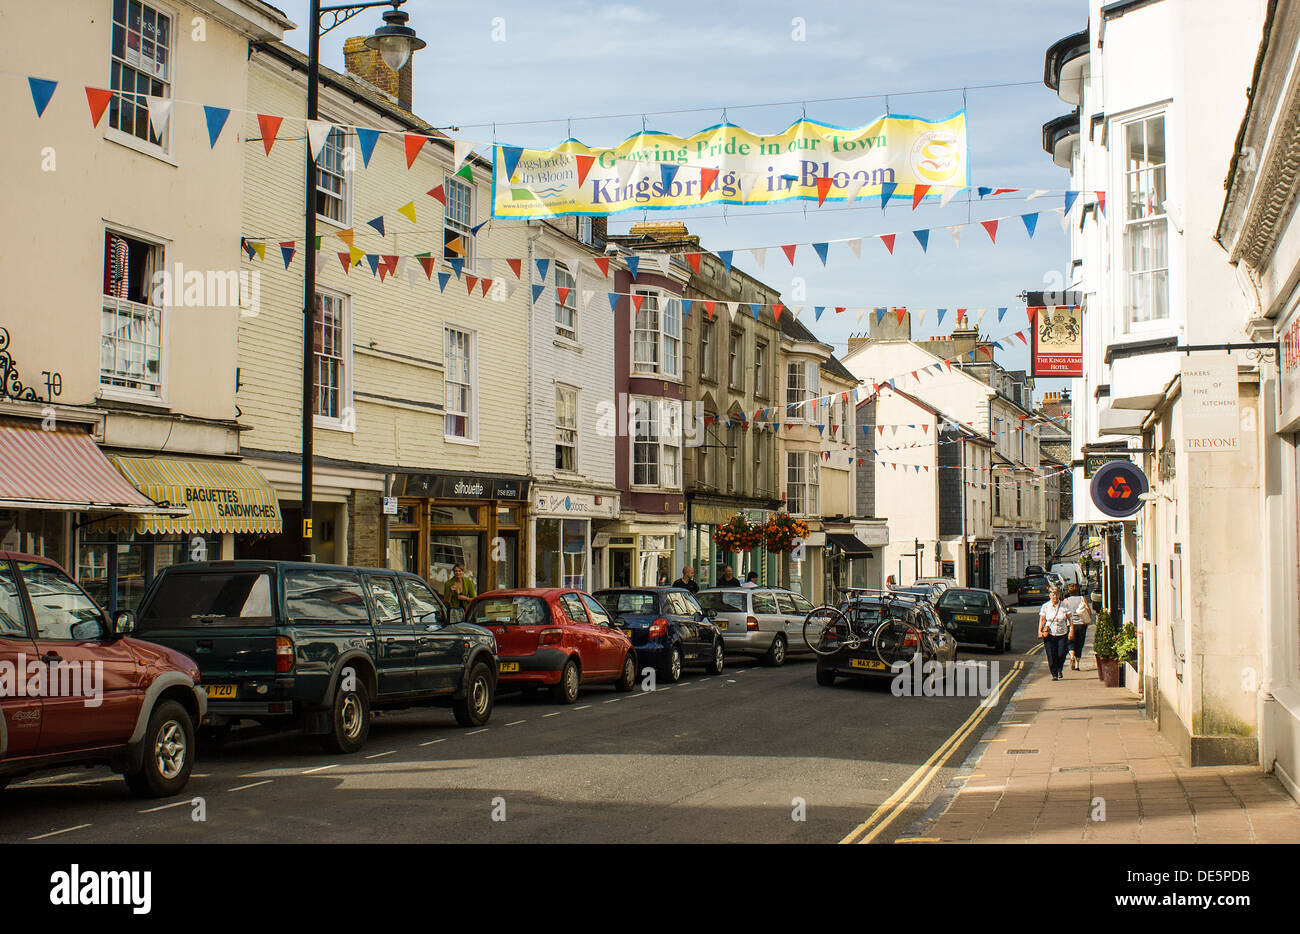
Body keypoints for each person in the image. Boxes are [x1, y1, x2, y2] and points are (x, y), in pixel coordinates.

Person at [1039, 585, 1072, 680]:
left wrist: (1071, 630)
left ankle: (1059, 668)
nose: (1055, 596)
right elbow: (1042, 620)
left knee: (1061, 653)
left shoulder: (1064, 605)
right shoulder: (1045, 606)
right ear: (1050, 595)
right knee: (1051, 654)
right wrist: (1040, 631)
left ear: (1059, 595)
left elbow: (1070, 618)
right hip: (1049, 634)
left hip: (1062, 633)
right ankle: (1054, 674)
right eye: (1053, 594)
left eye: (1057, 594)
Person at [1064, 581, 1093, 670]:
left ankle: (1071, 654)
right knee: (1080, 643)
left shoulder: (1066, 601)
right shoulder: (1082, 598)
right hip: (1081, 624)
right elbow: (1088, 610)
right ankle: (1077, 665)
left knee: (1070, 642)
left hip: (1070, 625)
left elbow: (1064, 613)